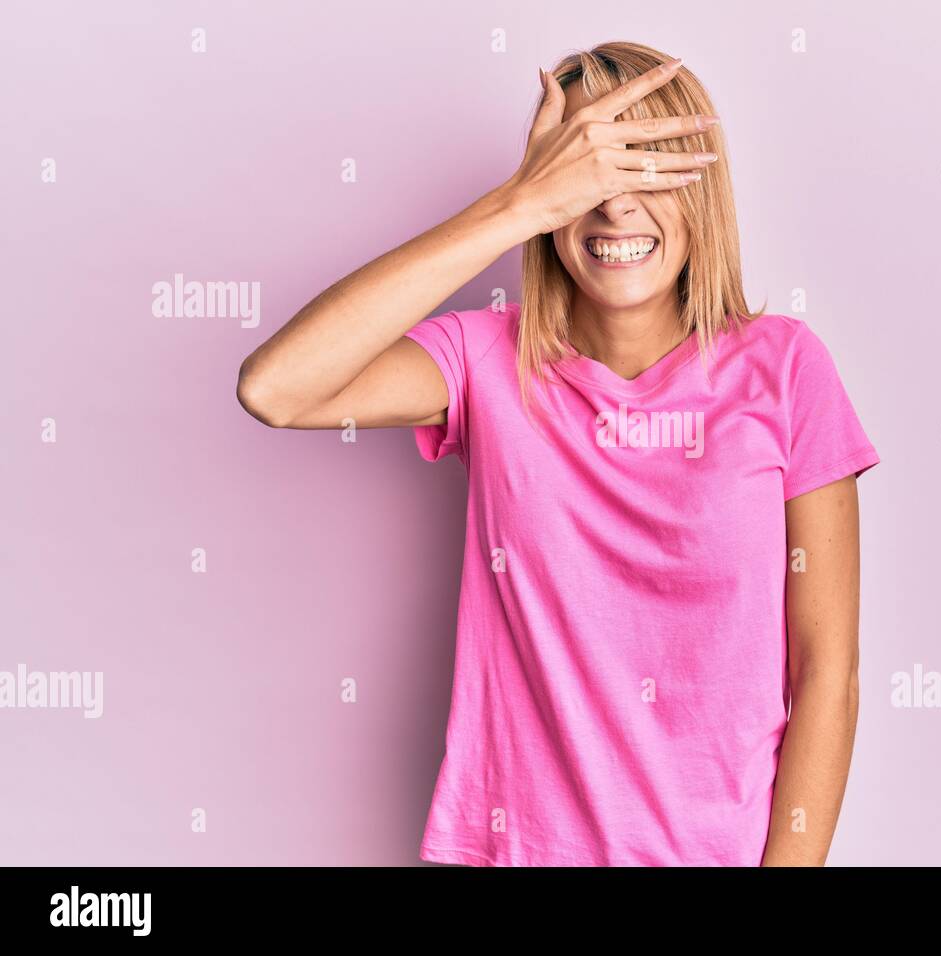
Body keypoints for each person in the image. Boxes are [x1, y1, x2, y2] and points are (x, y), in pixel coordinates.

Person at [236, 41, 880, 866]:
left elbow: (829, 672)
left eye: (645, 173)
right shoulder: (483, 360)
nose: (615, 212)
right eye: (588, 180)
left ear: (701, 191)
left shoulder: (786, 368)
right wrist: (516, 204)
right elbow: (275, 388)